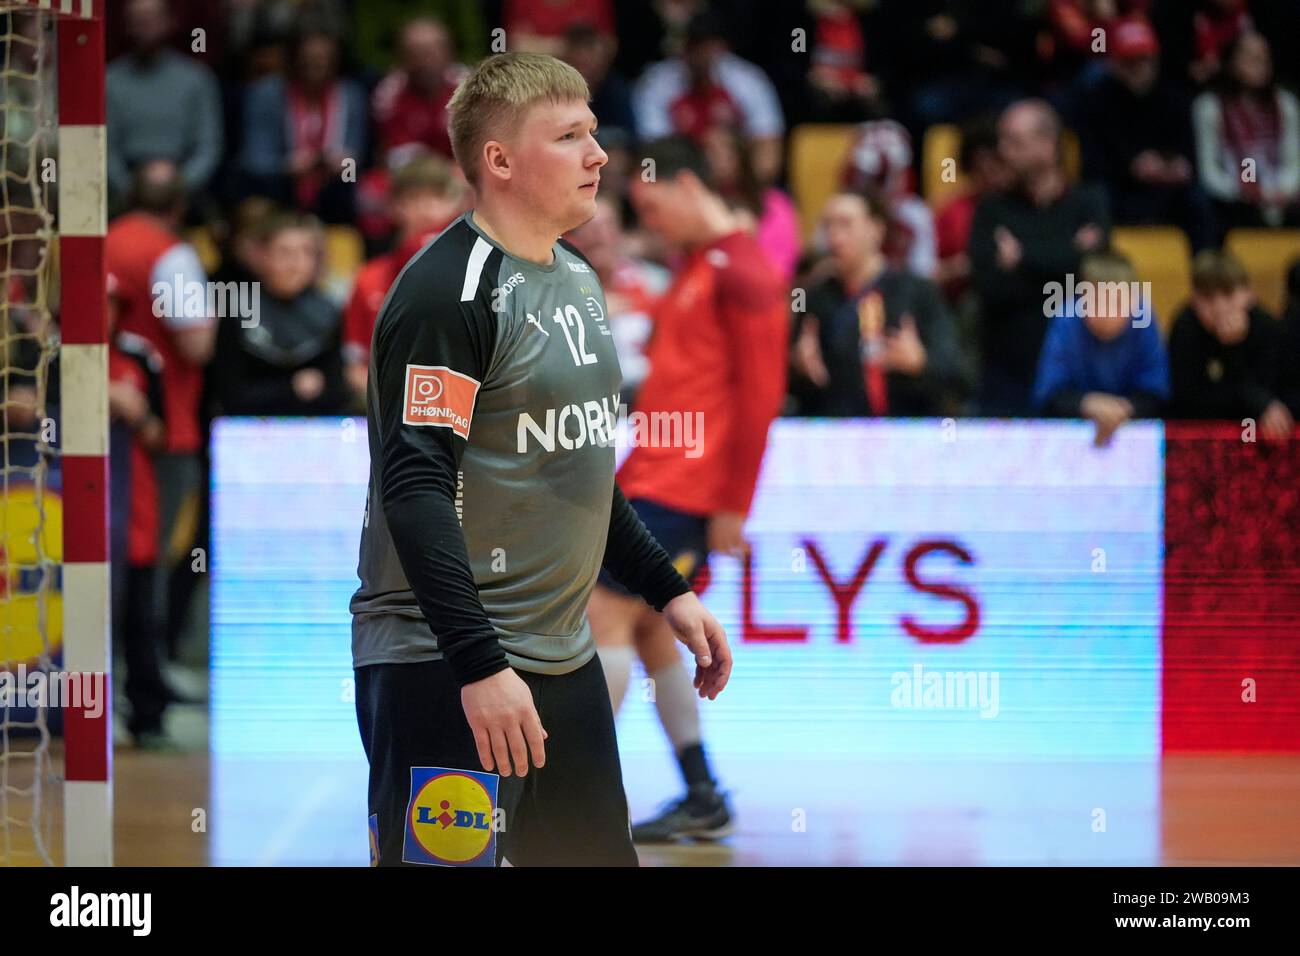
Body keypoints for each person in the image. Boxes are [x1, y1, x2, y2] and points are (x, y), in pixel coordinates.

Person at [350, 53, 731, 868]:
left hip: (563, 659)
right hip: (446, 666)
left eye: (594, 132)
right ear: (500, 161)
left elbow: (583, 466)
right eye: (569, 136)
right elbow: (415, 483)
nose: (599, 155)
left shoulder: (579, 280)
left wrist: (667, 589)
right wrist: (478, 664)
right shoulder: (448, 295)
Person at [587, 136, 788, 843]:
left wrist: (733, 507)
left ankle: (564, 798)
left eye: (651, 205)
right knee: (649, 632)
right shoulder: (702, 266)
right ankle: (703, 793)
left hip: (685, 488)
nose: (649, 222)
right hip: (656, 476)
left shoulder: (746, 273)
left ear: (686, 183)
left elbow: (762, 400)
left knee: (602, 618)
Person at [968, 99, 1109, 415]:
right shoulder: (991, 209)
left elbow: (1095, 276)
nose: (1002, 151)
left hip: (1080, 373)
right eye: (1001, 140)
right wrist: (1068, 255)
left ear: (1047, 146)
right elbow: (991, 288)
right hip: (1007, 372)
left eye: (1014, 142)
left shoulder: (1090, 202)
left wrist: (1023, 258)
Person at [792, 192, 967, 417]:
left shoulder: (918, 291)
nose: (835, 238)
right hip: (836, 432)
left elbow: (958, 370)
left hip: (906, 429)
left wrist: (921, 363)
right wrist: (799, 366)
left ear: (876, 230)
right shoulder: (810, 296)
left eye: (845, 225)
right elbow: (788, 378)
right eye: (828, 226)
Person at [342, 154, 467, 404]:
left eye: (437, 197)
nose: (426, 209)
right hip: (388, 407)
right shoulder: (369, 278)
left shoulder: (473, 273)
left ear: (456, 203)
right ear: (394, 207)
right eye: (413, 199)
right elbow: (354, 366)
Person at [206, 212, 348, 417]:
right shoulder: (237, 309)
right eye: (284, 252)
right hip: (244, 434)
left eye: (306, 252)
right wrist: (291, 388)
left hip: (314, 433)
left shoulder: (328, 311)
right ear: (261, 256)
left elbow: (337, 391)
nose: (296, 264)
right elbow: (229, 395)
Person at [1032, 250, 1170, 446]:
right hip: (1071, 440)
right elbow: (1047, 396)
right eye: (1096, 302)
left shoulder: (1144, 319)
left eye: (1116, 303)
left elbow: (1158, 395)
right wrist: (1087, 404)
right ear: (1080, 300)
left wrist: (1122, 409)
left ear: (1134, 301)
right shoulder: (1066, 319)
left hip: (1135, 440)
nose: (1106, 313)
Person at [106, 0, 223, 213]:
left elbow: (209, 147)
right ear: (127, 26)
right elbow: (105, 148)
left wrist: (178, 187)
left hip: (183, 188)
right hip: (128, 191)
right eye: (138, 21)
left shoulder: (197, 78)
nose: (145, 27)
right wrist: (130, 188)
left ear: (170, 22)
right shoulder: (110, 80)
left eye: (151, 20)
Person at [1168, 249, 1293, 439]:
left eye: (1228, 294)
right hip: (1202, 436)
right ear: (1193, 298)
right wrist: (1253, 399)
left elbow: (1273, 391)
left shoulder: (1266, 327)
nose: (1219, 307)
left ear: (1249, 293)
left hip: (1256, 436)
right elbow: (1187, 403)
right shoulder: (1185, 327)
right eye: (1208, 297)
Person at [1193, 30, 1300, 230]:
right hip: (1230, 196)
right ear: (1231, 62)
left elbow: (1293, 163)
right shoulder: (1209, 106)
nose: (1260, 63)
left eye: (1264, 57)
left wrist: (1278, 191)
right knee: (1201, 201)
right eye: (1251, 57)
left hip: (1279, 194)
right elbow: (1209, 172)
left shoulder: (1286, 105)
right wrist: (1242, 191)